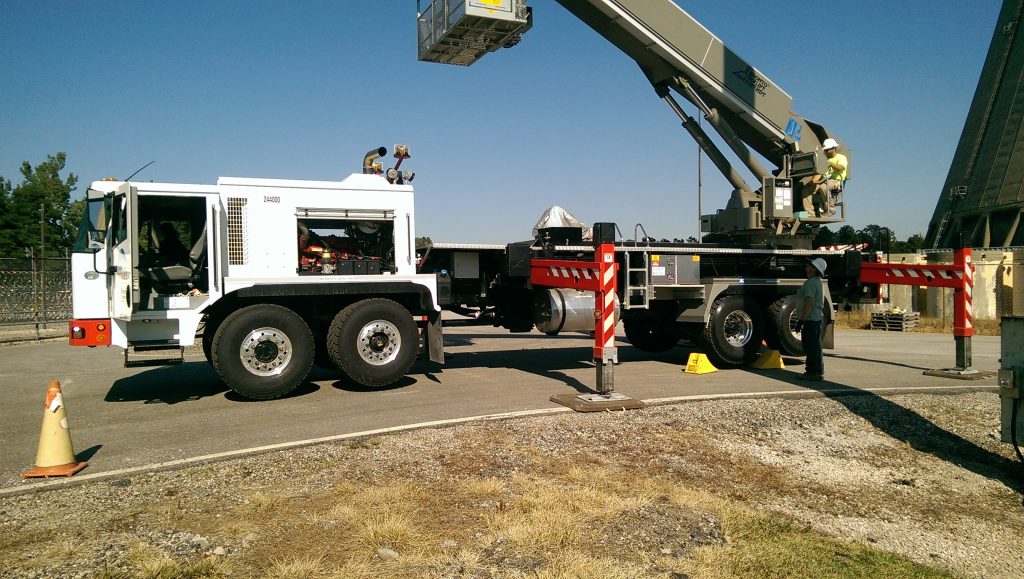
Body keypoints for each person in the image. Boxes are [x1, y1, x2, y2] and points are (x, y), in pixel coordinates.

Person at [794, 257, 827, 380]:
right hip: (815, 318)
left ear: (814, 269)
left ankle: (812, 372)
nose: (807, 266)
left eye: (810, 265)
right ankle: (818, 372)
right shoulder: (817, 282)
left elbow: (809, 303)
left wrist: (801, 320)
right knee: (815, 346)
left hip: (811, 319)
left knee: (810, 346)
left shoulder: (811, 283)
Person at [801, 138, 848, 217]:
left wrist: (830, 163)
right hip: (824, 180)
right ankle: (810, 214)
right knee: (806, 190)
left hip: (836, 180)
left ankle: (830, 209)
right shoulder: (825, 160)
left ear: (834, 148)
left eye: (827, 150)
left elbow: (841, 168)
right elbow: (820, 173)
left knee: (823, 186)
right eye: (825, 150)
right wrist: (813, 182)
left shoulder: (841, 157)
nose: (826, 152)